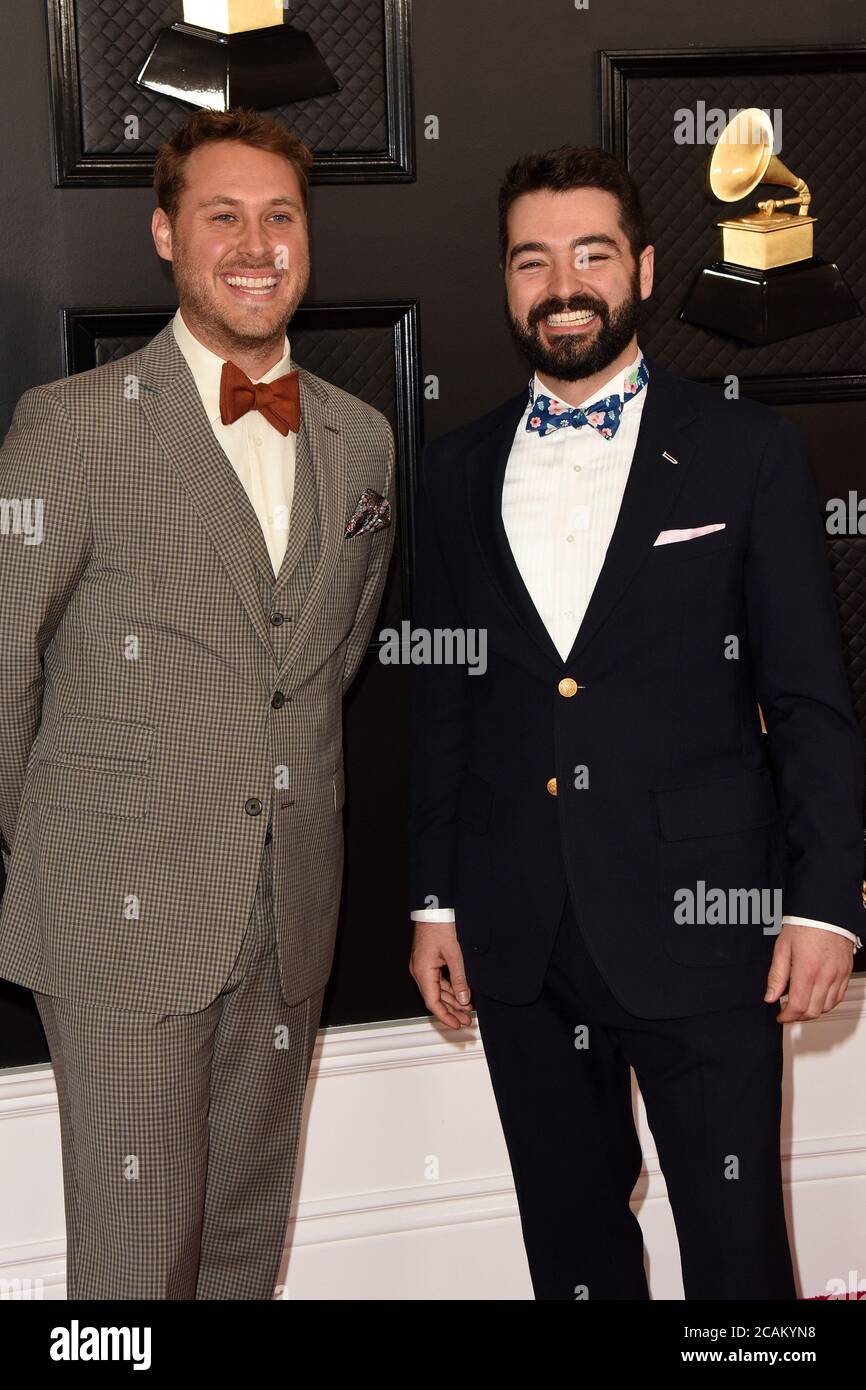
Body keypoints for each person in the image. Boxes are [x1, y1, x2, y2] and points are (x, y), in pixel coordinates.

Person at [408, 145, 864, 1300]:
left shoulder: (743, 453)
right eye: (533, 258)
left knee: (734, 1248)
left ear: (644, 269)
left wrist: (824, 900)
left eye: (590, 252)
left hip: (709, 929)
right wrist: (433, 898)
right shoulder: (451, 473)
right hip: (520, 935)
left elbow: (810, 695)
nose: (562, 282)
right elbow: (442, 701)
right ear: (507, 283)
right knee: (567, 1246)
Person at [0, 107, 394, 1299]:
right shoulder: (68, 431)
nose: (255, 242)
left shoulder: (361, 440)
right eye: (222, 215)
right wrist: (73, 848)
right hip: (120, 924)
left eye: (280, 217)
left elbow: (323, 664)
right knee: (128, 1272)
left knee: (240, 1249)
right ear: (167, 234)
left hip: (290, 916)